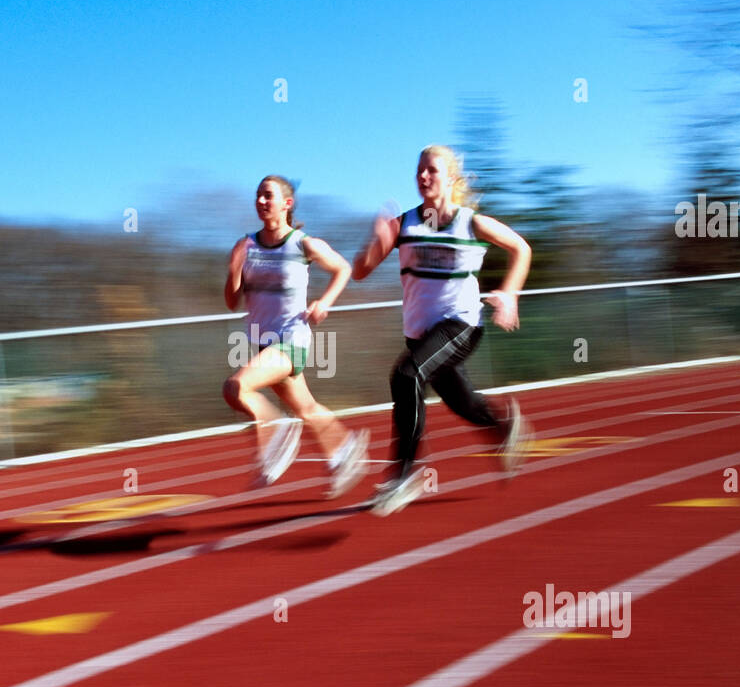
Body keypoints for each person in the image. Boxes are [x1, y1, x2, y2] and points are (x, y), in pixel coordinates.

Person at [352, 144, 534, 516]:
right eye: (419, 170)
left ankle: (404, 476)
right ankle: (502, 427)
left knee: (406, 375)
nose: (423, 177)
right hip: (420, 334)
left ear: (450, 178)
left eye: (432, 170)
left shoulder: (470, 222)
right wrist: (375, 240)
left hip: (461, 325)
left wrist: (510, 294)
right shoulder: (403, 224)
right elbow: (360, 271)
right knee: (460, 401)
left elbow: (520, 247)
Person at [224, 175, 369, 496]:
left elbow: (342, 268)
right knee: (307, 408)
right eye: (258, 195)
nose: (261, 201)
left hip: (291, 340)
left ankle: (275, 427)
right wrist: (234, 269)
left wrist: (324, 302)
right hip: (263, 342)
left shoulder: (303, 244)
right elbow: (232, 301)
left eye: (268, 195)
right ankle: (345, 451)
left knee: (235, 387)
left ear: (286, 204)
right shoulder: (245, 245)